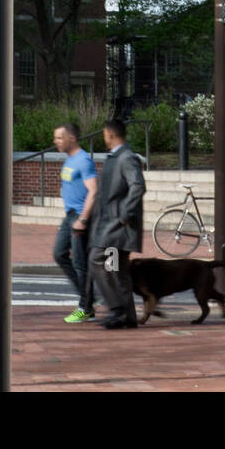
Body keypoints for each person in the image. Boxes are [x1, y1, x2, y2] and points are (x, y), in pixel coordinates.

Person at [88, 118, 145, 329]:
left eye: (104, 134)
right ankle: (127, 316)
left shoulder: (126, 158)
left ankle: (117, 309)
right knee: (117, 270)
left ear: (110, 135)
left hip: (117, 228)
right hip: (112, 225)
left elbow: (137, 186)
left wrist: (124, 214)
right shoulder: (118, 157)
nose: (104, 138)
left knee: (98, 260)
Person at [52, 123, 98, 323]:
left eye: (60, 138)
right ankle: (88, 299)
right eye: (56, 138)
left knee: (80, 264)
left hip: (80, 217)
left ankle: (85, 307)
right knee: (59, 254)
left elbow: (94, 190)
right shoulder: (70, 160)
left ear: (72, 138)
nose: (56, 141)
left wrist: (83, 219)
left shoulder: (83, 160)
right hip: (70, 215)